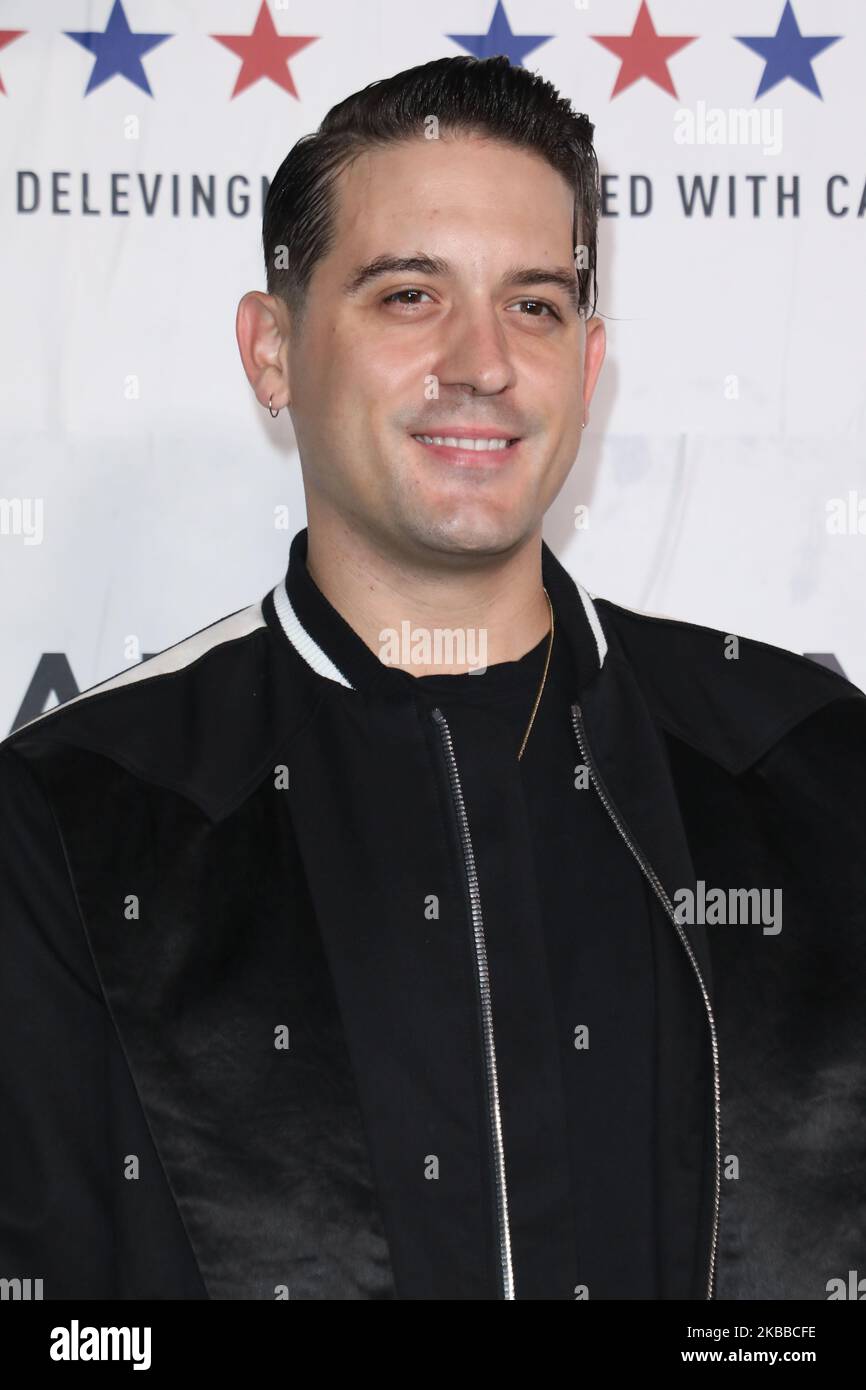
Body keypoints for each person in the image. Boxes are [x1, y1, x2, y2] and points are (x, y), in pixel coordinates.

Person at [1, 54, 864, 1302]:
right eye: (409, 295)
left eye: (533, 306)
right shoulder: (74, 819)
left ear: (588, 357)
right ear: (271, 349)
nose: (481, 363)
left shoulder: (817, 767)